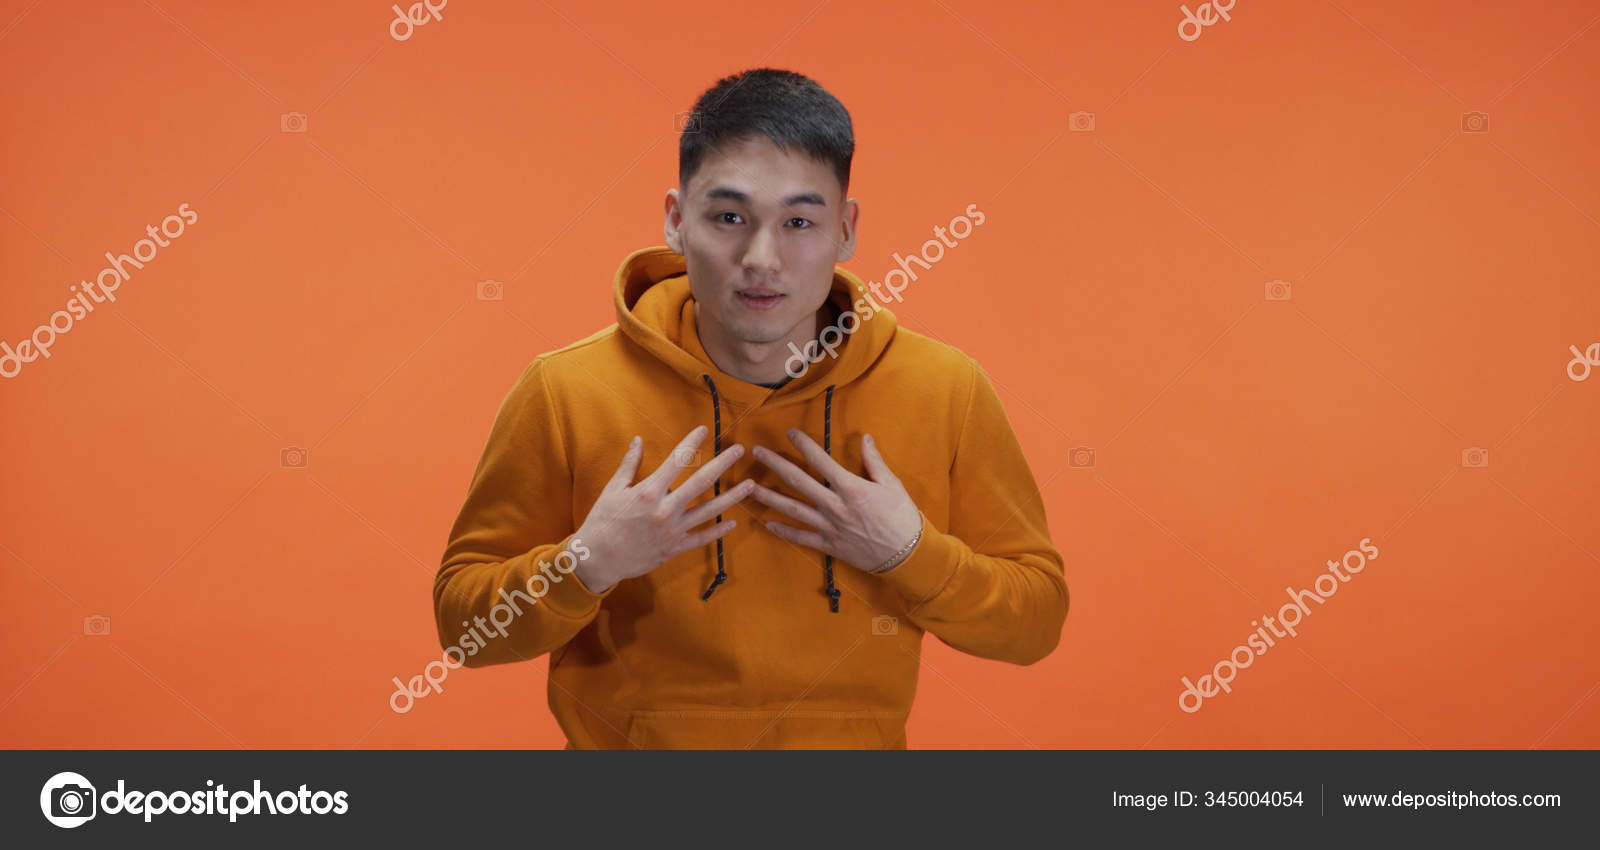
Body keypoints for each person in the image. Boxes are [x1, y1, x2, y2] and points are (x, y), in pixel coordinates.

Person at [435, 68, 1068, 749]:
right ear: (677, 221)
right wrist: (587, 562)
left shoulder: (945, 389)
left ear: (846, 230)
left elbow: (1035, 626)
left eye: (799, 221)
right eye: (729, 217)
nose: (762, 258)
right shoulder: (566, 390)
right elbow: (464, 633)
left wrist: (909, 552)